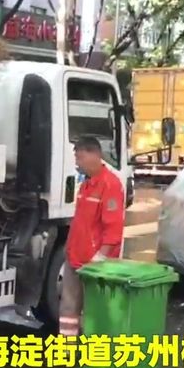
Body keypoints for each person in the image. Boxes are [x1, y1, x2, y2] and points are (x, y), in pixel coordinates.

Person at [59, 136, 125, 338]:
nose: (77, 163)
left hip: (95, 264)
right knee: (68, 308)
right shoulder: (87, 185)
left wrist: (101, 257)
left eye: (80, 158)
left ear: (95, 155)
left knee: (94, 311)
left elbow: (113, 227)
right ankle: (67, 347)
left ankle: (93, 350)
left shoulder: (110, 185)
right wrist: (69, 248)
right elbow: (80, 222)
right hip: (76, 258)